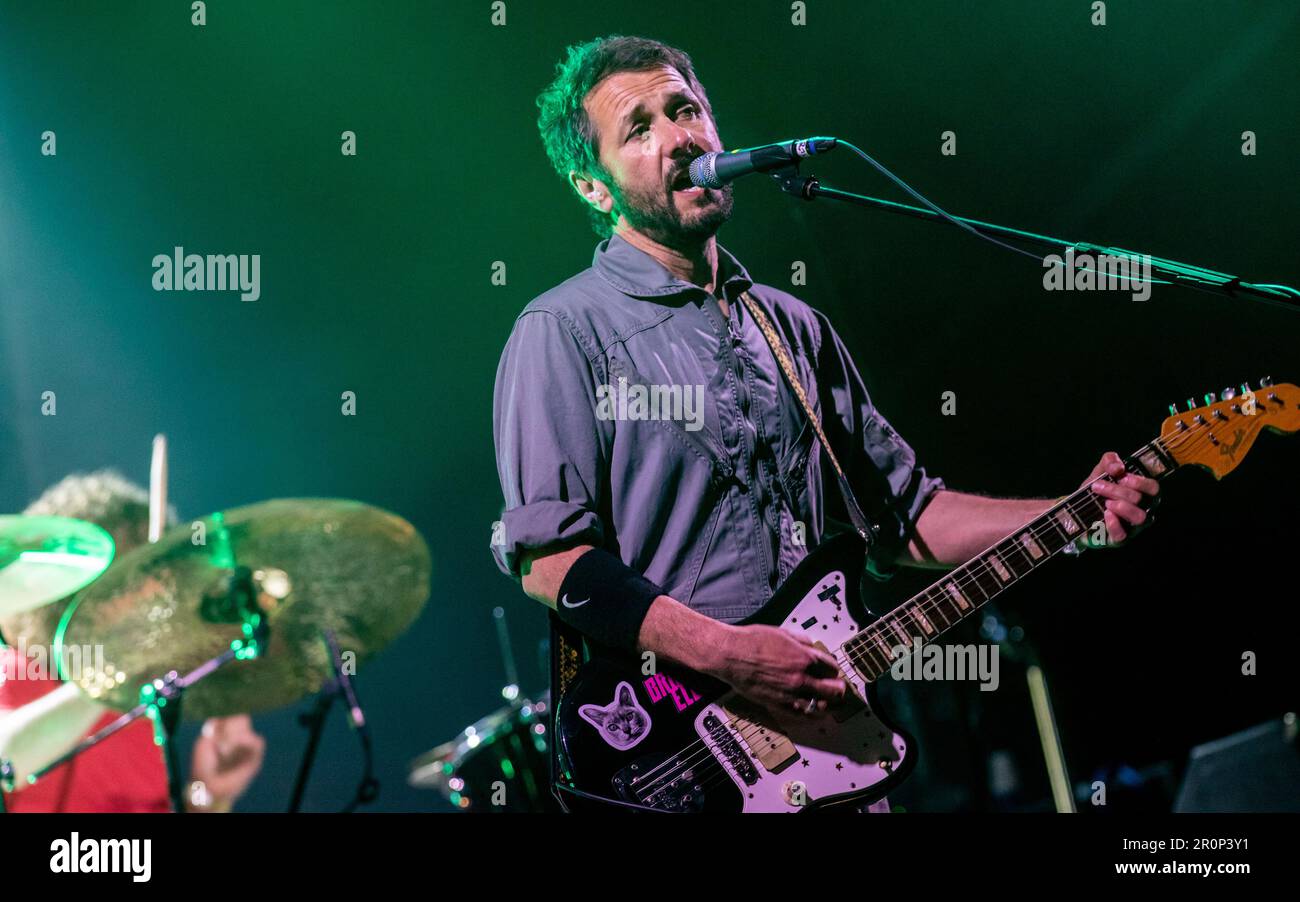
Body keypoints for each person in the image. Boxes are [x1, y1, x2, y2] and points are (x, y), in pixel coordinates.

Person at [491, 35, 1158, 809]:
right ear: (593, 186)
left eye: (686, 109)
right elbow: (548, 559)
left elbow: (906, 515)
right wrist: (732, 655)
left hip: (828, 749)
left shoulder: (792, 326)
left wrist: (1071, 516)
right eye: (638, 128)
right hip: (684, 757)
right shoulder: (562, 330)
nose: (679, 136)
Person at [0, 471, 265, 813]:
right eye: (131, 576)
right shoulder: (19, 670)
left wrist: (207, 796)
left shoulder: (140, 713)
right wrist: (118, 663)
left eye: (159, 576)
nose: (154, 593)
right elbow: (7, 759)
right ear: (78, 586)